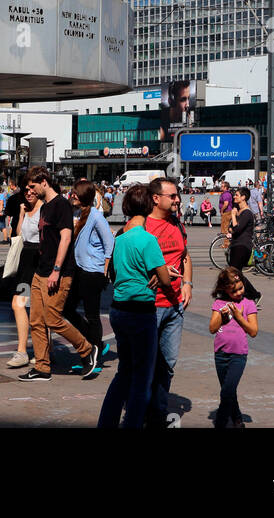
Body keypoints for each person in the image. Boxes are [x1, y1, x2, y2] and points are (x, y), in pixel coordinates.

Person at [97, 182, 176, 429]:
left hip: (118, 309)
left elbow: (116, 271)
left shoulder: (119, 238)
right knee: (142, 379)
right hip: (141, 312)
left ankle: (106, 423)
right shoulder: (147, 239)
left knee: (125, 372)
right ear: (149, 205)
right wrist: (166, 273)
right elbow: (163, 279)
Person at [21, 167, 100, 381]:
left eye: (32, 186)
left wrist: (57, 269)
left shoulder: (61, 206)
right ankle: (42, 368)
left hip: (59, 273)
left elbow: (66, 238)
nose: (30, 190)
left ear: (44, 182)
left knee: (53, 318)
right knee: (36, 321)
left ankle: (87, 349)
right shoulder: (45, 207)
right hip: (40, 272)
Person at [145, 176, 192, 429]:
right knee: (147, 364)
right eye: (172, 196)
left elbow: (186, 257)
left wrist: (188, 284)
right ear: (156, 198)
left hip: (175, 306)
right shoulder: (142, 228)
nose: (177, 199)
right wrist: (152, 275)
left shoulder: (177, 223)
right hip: (151, 306)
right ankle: (141, 409)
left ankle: (158, 414)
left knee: (168, 364)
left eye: (177, 195)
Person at [64, 180, 114, 361]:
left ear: (85, 195)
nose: (73, 195)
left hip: (93, 271)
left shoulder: (95, 215)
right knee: (67, 308)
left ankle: (95, 354)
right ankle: (97, 344)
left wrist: (105, 270)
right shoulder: (76, 212)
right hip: (79, 270)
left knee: (92, 314)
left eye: (76, 193)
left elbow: (110, 242)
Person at [210, 266, 258, 429]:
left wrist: (238, 317)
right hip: (221, 354)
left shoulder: (249, 304)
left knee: (226, 391)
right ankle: (237, 419)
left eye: (241, 288)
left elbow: (253, 331)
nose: (239, 293)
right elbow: (212, 329)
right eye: (234, 291)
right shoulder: (219, 303)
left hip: (238, 355)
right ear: (225, 290)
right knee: (229, 390)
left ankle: (221, 423)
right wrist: (222, 318)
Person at [7, 179, 42, 367]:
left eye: (31, 189)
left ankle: (42, 349)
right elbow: (19, 233)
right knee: (18, 304)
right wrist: (21, 213)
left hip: (39, 261)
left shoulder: (45, 209)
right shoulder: (27, 210)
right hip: (25, 262)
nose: (28, 192)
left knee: (39, 308)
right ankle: (22, 351)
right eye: (26, 189)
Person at [226, 187, 261, 302]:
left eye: (236, 195)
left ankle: (252, 294)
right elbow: (230, 228)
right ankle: (247, 294)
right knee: (236, 273)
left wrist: (233, 215)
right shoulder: (239, 211)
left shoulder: (247, 213)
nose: (234, 197)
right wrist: (233, 225)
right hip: (236, 245)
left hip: (242, 246)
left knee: (233, 272)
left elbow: (236, 229)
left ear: (243, 197)